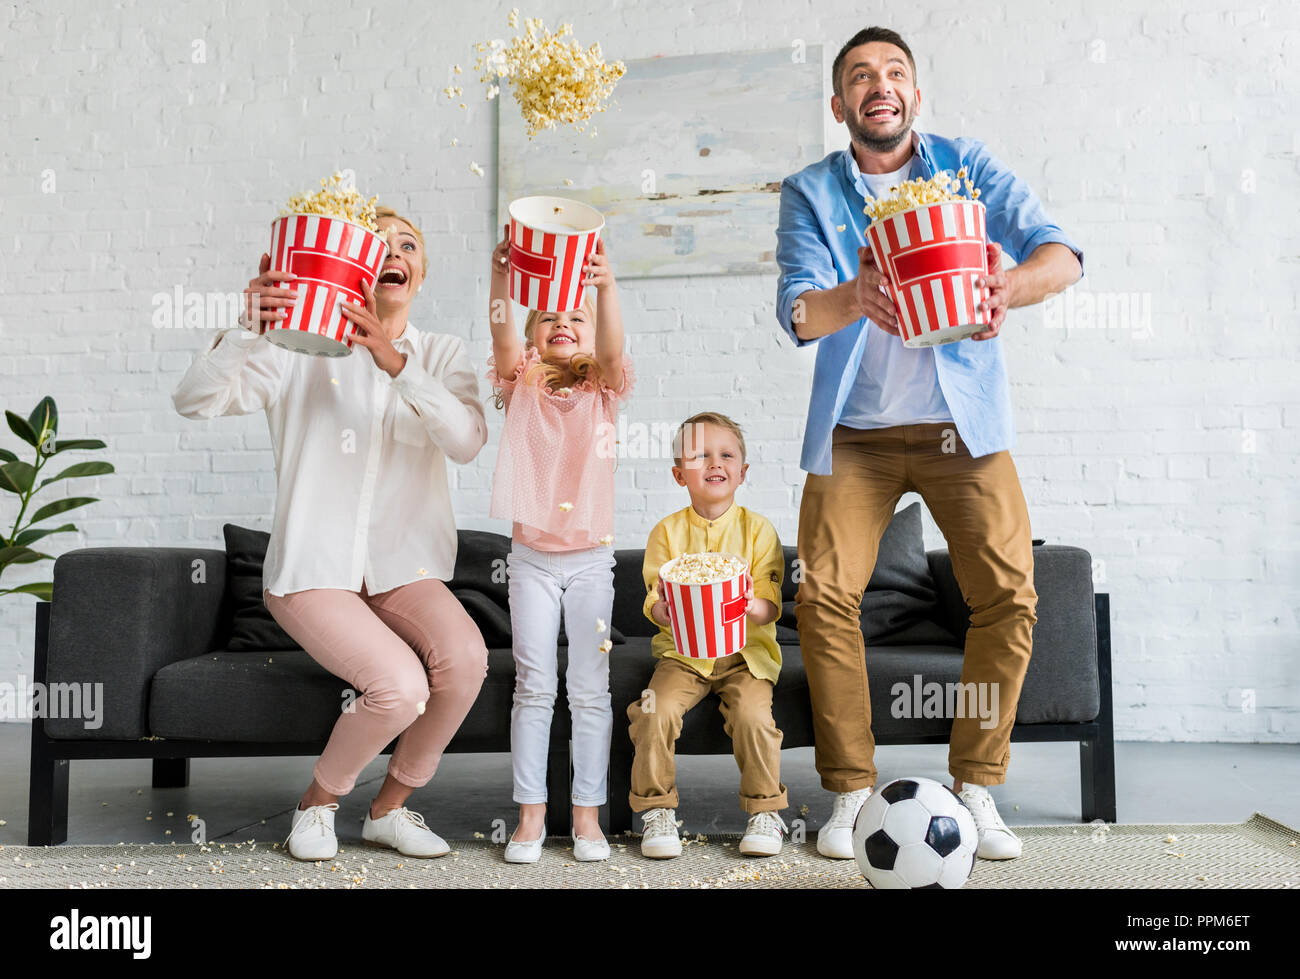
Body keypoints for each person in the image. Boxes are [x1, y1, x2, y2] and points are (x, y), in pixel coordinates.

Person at [775, 26, 1085, 861]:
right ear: (840, 104)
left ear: (914, 93)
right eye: (861, 76)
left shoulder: (966, 167)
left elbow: (1063, 256)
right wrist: (855, 295)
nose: (881, 85)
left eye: (896, 72)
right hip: (857, 435)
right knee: (825, 598)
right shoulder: (811, 190)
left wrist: (1009, 284)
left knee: (1010, 595)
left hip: (963, 428)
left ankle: (977, 785)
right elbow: (799, 310)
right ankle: (846, 791)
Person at [172, 207, 490, 861]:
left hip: (405, 570)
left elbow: (464, 441)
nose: (394, 251)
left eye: (408, 242)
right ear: (353, 266)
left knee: (466, 660)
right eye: (377, 244)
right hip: (314, 573)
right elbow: (194, 400)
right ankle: (317, 804)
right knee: (400, 686)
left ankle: (389, 809)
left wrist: (396, 363)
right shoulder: (295, 347)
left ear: (420, 273)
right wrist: (249, 329)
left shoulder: (441, 355)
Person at [485, 228, 633, 864]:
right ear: (533, 333)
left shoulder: (604, 385)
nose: (562, 325)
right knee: (534, 685)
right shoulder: (519, 381)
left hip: (592, 562)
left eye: (576, 317)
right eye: (548, 317)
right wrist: (500, 279)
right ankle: (529, 818)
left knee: (590, 689)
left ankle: (588, 818)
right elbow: (498, 331)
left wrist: (606, 288)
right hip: (532, 563)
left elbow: (615, 346)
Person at [631, 413, 787, 859]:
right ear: (680, 474)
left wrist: (751, 606)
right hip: (682, 656)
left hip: (745, 657)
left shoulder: (758, 531)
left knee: (755, 720)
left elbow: (770, 599)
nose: (714, 463)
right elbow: (654, 598)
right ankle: (657, 809)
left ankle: (765, 811)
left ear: (742, 471)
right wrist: (661, 608)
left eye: (726, 454)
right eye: (699, 456)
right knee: (652, 711)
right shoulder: (667, 532)